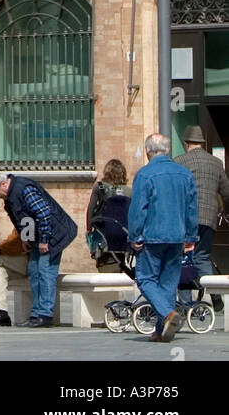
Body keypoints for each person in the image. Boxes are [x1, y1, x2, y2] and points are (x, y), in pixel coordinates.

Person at [129, 132, 199, 343]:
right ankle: (162, 330)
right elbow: (191, 208)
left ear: (148, 152)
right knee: (168, 283)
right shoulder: (185, 174)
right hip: (177, 235)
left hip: (152, 236)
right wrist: (191, 236)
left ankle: (168, 314)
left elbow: (138, 209)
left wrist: (134, 235)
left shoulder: (144, 174)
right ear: (168, 150)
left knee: (145, 278)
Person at [0, 171, 77, 328]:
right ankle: (35, 313)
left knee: (45, 270)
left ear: (3, 184)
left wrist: (44, 240)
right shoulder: (10, 197)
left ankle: (45, 314)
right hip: (36, 236)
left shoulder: (24, 188)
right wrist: (25, 238)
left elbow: (43, 214)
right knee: (34, 270)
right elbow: (21, 219)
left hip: (54, 234)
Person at [175, 124, 229, 311]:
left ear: (186, 143)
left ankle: (186, 304)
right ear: (201, 143)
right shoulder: (216, 163)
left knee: (183, 257)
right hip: (209, 217)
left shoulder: (180, 161)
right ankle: (215, 295)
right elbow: (226, 191)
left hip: (185, 217)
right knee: (202, 257)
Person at [85, 159, 132, 273]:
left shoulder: (99, 187)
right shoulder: (129, 191)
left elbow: (90, 210)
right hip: (123, 234)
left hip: (104, 234)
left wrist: (88, 230)